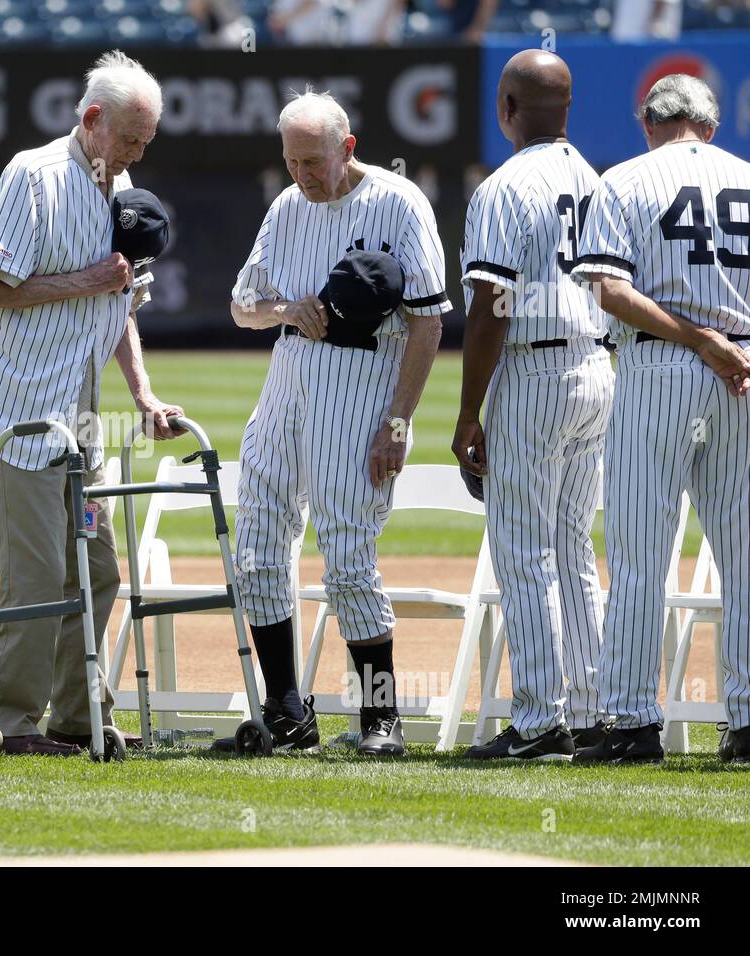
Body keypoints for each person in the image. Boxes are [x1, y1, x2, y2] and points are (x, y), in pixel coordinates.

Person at [0, 50, 183, 756]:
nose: (138, 151)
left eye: (147, 140)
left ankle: (81, 718)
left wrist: (141, 392)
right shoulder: (34, 176)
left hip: (80, 413)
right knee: (37, 572)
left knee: (99, 566)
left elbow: (122, 304)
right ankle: (9, 723)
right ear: (92, 119)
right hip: (19, 405)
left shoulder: (122, 184)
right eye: (131, 137)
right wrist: (83, 281)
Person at [229, 90, 448, 756]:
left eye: (313, 161)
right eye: (292, 161)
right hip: (287, 378)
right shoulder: (287, 207)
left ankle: (380, 718)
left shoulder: (398, 201)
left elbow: (429, 319)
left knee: (349, 556)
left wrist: (399, 423)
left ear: (346, 148)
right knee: (258, 546)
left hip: (362, 384)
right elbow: (243, 305)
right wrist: (282, 310)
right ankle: (287, 711)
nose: (303, 175)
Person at [571, 74, 750, 765]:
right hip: (742, 370)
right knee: (743, 557)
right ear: (710, 124)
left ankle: (634, 724)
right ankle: (745, 726)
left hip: (661, 367)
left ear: (650, 122)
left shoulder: (625, 178)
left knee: (643, 556)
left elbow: (610, 291)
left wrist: (699, 339)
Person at [452, 51, 612, 761]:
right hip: (595, 366)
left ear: (506, 108)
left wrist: (466, 414)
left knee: (523, 550)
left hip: (535, 370)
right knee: (574, 547)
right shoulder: (593, 177)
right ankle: (592, 710)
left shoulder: (505, 185)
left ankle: (540, 719)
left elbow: (491, 307)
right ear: (568, 109)